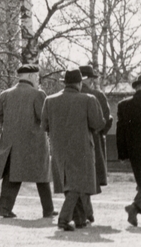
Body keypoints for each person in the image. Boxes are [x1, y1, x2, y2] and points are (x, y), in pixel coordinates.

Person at [41, 67, 106, 231]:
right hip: (82, 146)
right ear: (79, 83)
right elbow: (98, 124)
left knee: (70, 183)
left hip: (58, 148)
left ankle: (80, 220)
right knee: (77, 185)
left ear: (65, 83)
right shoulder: (88, 99)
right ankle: (63, 219)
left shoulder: (49, 100)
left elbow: (44, 126)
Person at [0, 64, 54, 219]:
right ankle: (48, 210)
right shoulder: (38, 94)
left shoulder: (5, 94)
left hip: (11, 142)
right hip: (34, 143)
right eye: (37, 77)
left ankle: (5, 209)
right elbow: (44, 119)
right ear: (31, 76)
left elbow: (0, 118)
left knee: (12, 177)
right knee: (42, 177)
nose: (38, 80)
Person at [77, 63, 112, 224]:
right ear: (89, 79)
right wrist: (100, 134)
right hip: (94, 140)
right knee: (90, 176)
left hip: (72, 140)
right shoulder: (97, 95)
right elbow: (106, 120)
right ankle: (85, 211)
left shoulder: (68, 94)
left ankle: (86, 211)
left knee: (77, 177)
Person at [116, 72, 141, 227]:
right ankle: (135, 207)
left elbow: (120, 131)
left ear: (136, 87)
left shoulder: (124, 105)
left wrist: (122, 154)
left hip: (136, 152)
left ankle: (135, 207)